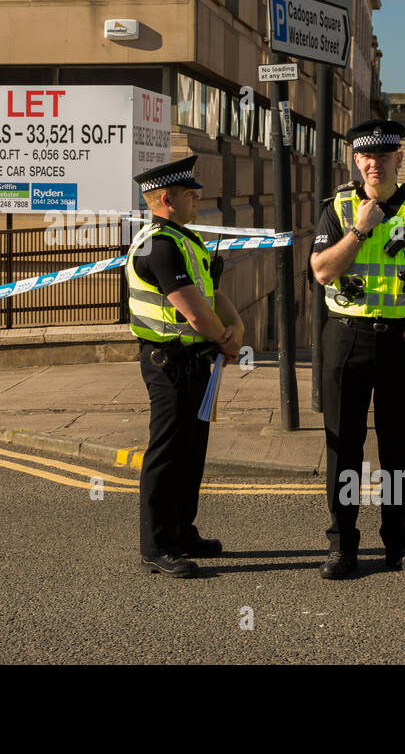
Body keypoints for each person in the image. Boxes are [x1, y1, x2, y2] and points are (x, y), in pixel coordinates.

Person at [309, 120, 405, 579]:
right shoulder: (337, 208)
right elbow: (321, 272)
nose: (374, 163)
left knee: (400, 447)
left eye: (384, 155)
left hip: (402, 341)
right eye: (365, 155)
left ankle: (398, 545)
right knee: (344, 446)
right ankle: (343, 547)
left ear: (400, 158)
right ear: (356, 160)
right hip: (347, 338)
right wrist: (358, 229)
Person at [126, 155, 244, 579]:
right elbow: (193, 313)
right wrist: (225, 338)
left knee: (192, 450)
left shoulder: (186, 240)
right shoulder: (159, 246)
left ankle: (182, 531)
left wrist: (236, 326)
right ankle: (156, 546)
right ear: (165, 199)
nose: (197, 198)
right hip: (169, 363)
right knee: (167, 452)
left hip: (196, 361)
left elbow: (211, 293)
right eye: (189, 193)